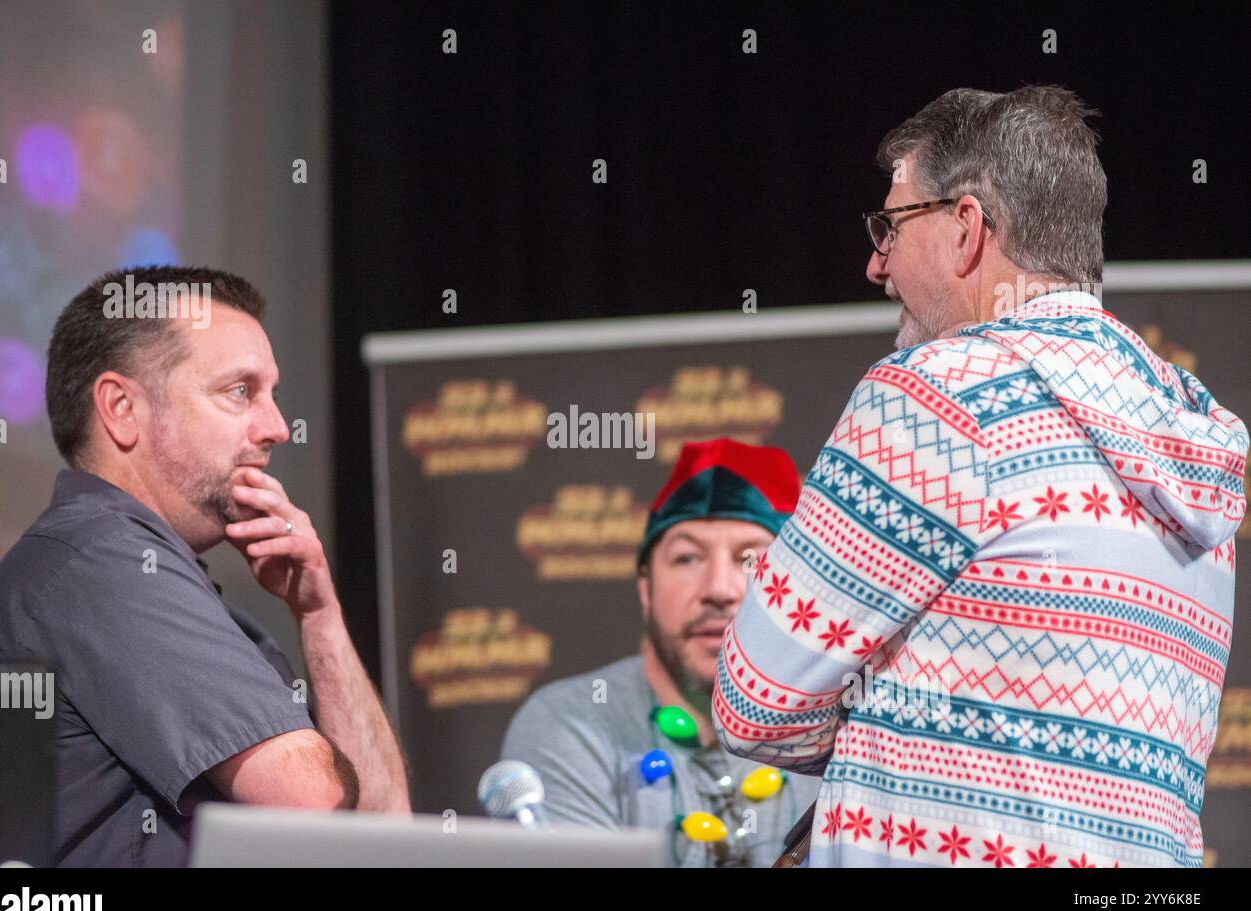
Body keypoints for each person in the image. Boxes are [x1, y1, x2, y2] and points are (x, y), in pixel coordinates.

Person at [714, 85, 1247, 867]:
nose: (875, 261)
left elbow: (756, 699)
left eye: (892, 226)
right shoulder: (1186, 437)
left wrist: (896, 730)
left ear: (966, 228)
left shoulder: (938, 392)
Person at [0, 266, 410, 866]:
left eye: (272, 394)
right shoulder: (100, 560)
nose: (277, 427)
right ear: (121, 408)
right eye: (239, 391)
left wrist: (320, 614)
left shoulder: (145, 568)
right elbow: (314, 801)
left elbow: (385, 828)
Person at [501, 438, 824, 866]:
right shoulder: (570, 724)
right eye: (687, 558)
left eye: (750, 560)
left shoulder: (847, 736)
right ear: (645, 588)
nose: (719, 590)